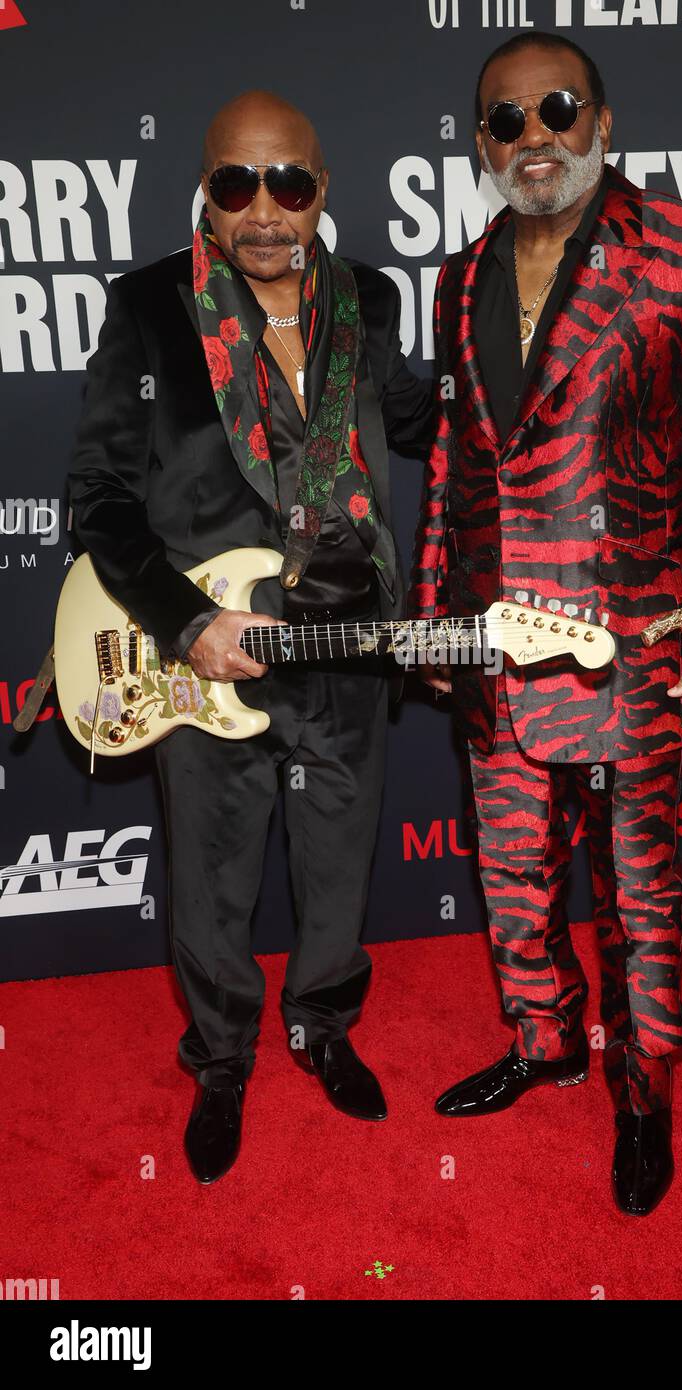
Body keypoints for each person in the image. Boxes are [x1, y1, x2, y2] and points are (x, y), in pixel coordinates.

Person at [408, 32, 682, 1215]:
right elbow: (452, 475)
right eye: (505, 121)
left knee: (638, 891)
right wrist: (431, 614)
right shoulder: (460, 278)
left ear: (601, 122)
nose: (534, 138)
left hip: (628, 648)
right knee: (513, 875)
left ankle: (641, 1087)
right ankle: (545, 1041)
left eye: (556, 110)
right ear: (480, 146)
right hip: (495, 651)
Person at [69, 90, 433, 1184]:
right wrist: (186, 624)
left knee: (338, 860)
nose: (263, 209)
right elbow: (97, 498)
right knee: (213, 879)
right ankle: (221, 1055)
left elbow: (411, 414)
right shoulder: (148, 307)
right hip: (208, 649)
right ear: (207, 196)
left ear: (322, 189)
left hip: (345, 641)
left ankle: (322, 1022)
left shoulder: (364, 298)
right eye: (236, 185)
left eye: (287, 183)